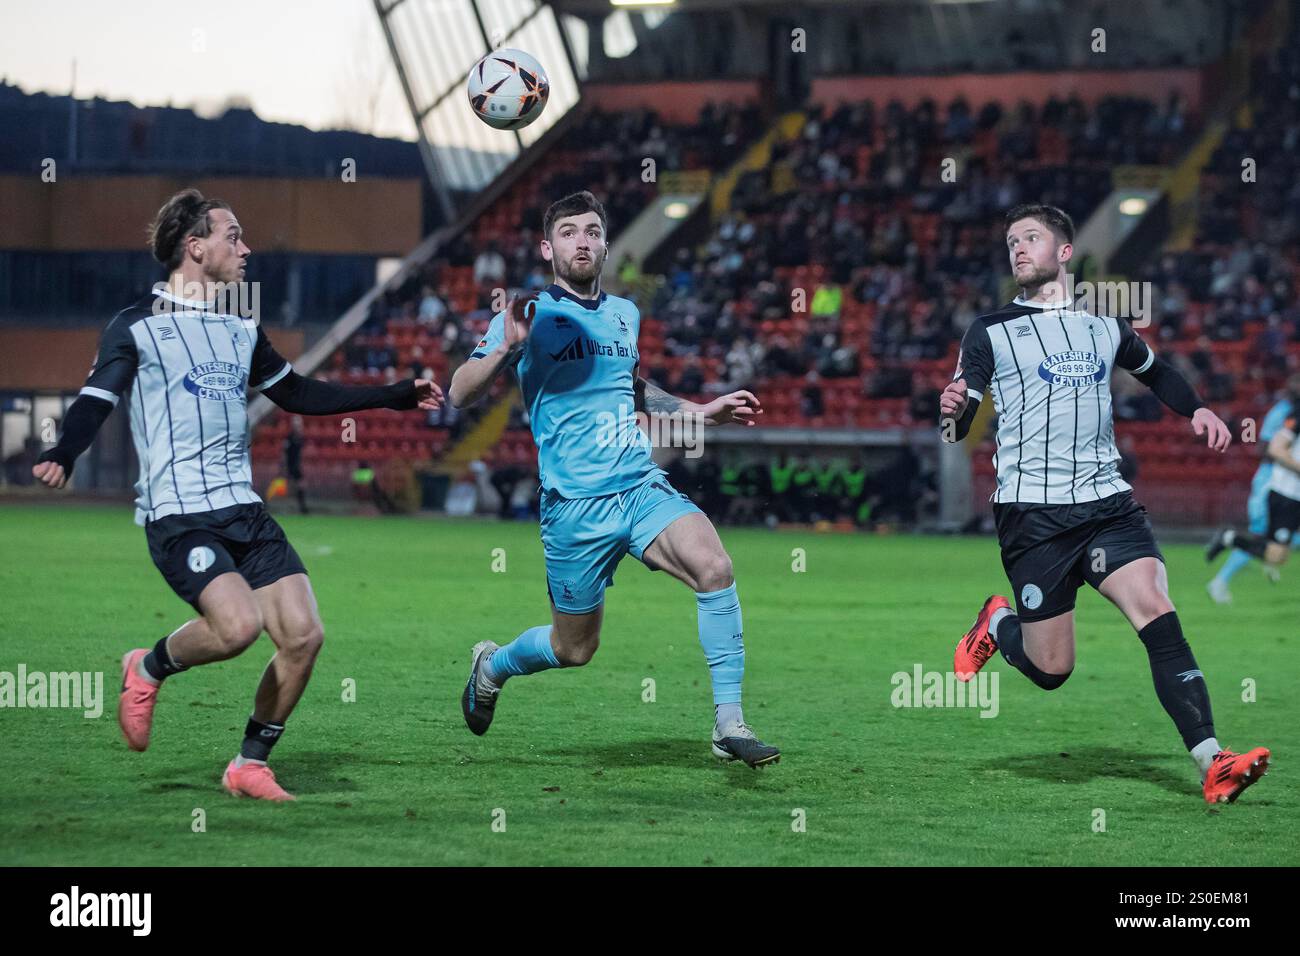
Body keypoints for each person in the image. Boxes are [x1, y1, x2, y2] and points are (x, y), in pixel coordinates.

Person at [33, 189, 442, 801]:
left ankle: (249, 764)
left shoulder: (240, 327)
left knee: (304, 636)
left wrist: (392, 394)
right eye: (233, 236)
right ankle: (148, 666)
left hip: (245, 511)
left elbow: (299, 395)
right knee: (237, 628)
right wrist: (64, 451)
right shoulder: (137, 326)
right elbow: (99, 399)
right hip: (180, 515)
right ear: (195, 247)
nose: (245, 248)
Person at [940, 203, 1268, 805]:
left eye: (1031, 238)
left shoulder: (1104, 326)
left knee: (1157, 613)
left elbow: (1157, 371)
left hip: (1107, 505)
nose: (1018, 248)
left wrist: (1194, 406)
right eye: (1012, 240)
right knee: (1051, 671)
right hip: (1032, 517)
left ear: (1064, 252)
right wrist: (954, 410)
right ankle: (997, 622)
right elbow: (961, 421)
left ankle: (1212, 761)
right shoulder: (988, 330)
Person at [448, 191, 780, 768]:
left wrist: (700, 413)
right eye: (570, 231)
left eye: (594, 231)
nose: (584, 241)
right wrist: (505, 346)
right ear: (548, 247)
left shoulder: (625, 313)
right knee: (575, 648)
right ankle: (492, 665)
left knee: (715, 567)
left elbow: (632, 386)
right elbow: (459, 392)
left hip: (637, 485)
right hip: (574, 508)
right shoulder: (529, 313)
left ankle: (729, 723)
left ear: (605, 244)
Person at [1205, 374, 1300, 602]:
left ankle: (1249, 552)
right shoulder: (1287, 412)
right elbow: (1268, 447)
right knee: (1267, 539)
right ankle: (1222, 575)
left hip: (1287, 489)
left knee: (1277, 550)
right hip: (1278, 486)